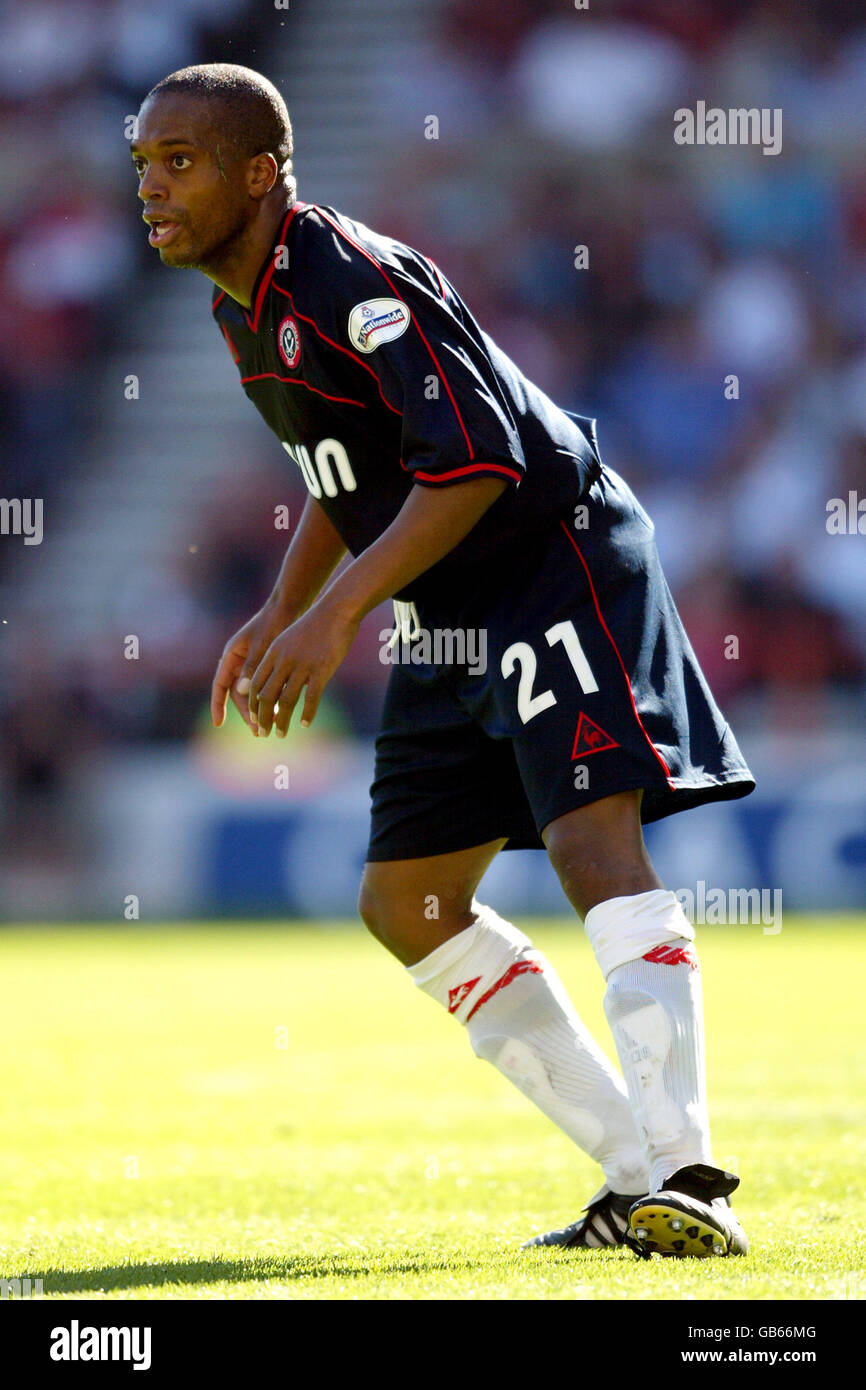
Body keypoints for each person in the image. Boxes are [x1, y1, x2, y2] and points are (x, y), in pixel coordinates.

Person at [131, 63, 754, 1257]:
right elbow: (351, 469)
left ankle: (693, 1175)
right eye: (142, 164)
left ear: (259, 174)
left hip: (544, 556)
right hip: (443, 597)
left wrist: (335, 619)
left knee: (587, 839)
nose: (151, 188)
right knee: (405, 902)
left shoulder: (347, 278)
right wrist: (279, 607)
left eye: (179, 162)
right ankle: (637, 1181)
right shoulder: (240, 304)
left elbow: (472, 461)